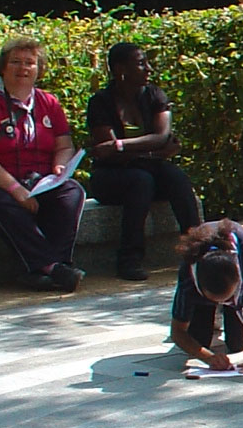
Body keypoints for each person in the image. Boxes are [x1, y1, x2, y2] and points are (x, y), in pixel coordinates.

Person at [0, 36, 84, 292]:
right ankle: (52, 268)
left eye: (30, 63)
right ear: (2, 67)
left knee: (72, 192)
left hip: (37, 181)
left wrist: (60, 168)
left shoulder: (49, 102)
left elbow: (64, 145)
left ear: (39, 69)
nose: (23, 69)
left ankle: (46, 268)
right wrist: (16, 190)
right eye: (15, 62)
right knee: (6, 205)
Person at [85, 42, 204, 281]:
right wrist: (154, 152)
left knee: (176, 177)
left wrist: (121, 144)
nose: (149, 69)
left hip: (147, 169)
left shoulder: (154, 95)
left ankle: (200, 251)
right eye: (141, 63)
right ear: (120, 69)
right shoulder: (100, 102)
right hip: (111, 177)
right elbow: (109, 156)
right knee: (140, 181)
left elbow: (160, 136)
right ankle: (129, 259)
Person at [171, 219, 243, 371]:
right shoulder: (188, 278)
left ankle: (230, 304)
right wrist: (207, 357)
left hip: (237, 284)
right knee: (199, 340)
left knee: (238, 343)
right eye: (218, 300)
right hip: (204, 294)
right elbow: (177, 332)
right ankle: (213, 313)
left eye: (227, 297)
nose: (224, 301)